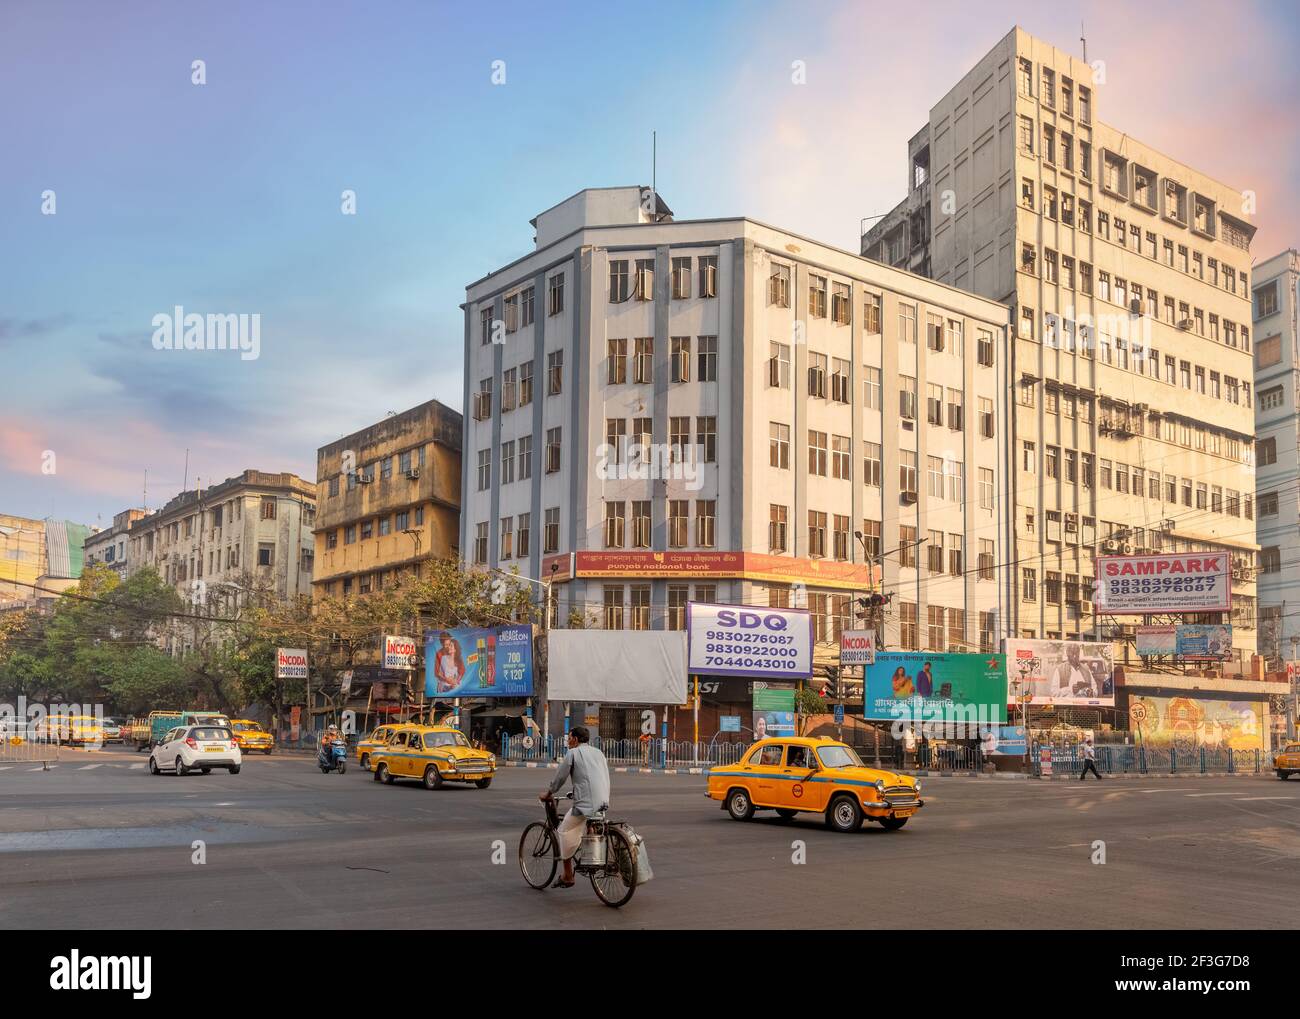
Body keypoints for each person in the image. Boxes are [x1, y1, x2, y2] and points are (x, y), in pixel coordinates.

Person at [539, 726, 610, 889]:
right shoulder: (598, 753)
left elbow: (560, 777)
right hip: (603, 800)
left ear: (576, 739)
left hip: (585, 804)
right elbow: (595, 777)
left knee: (563, 831)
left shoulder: (573, 753)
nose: (568, 741)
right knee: (587, 823)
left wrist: (549, 792)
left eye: (569, 738)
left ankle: (568, 875)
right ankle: (589, 851)